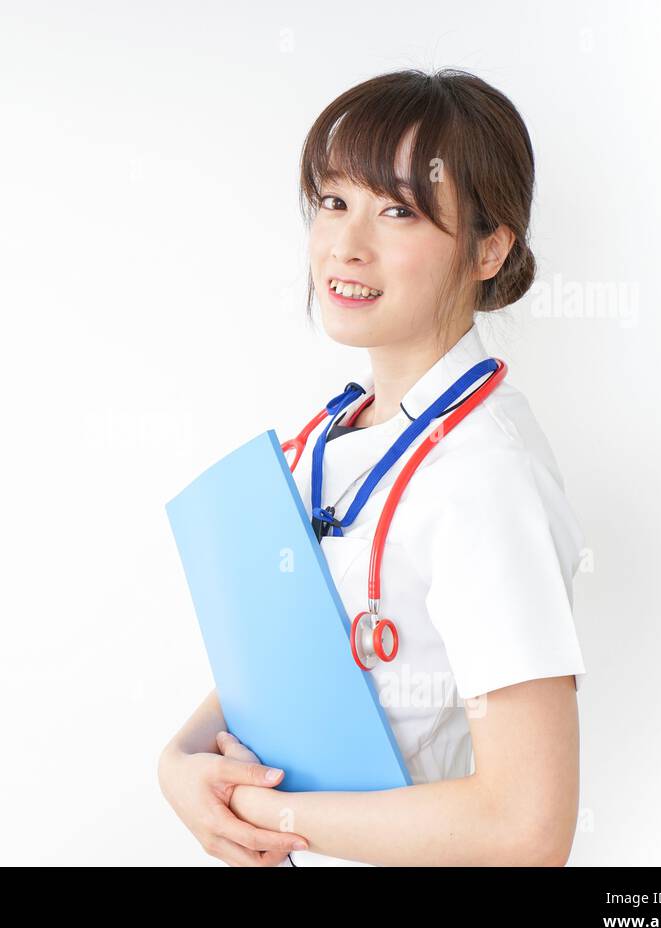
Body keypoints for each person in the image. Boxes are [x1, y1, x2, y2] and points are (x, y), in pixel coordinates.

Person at [156, 68, 588, 867]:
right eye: (333, 201)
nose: (347, 245)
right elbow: (295, 660)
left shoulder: (486, 477)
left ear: (489, 248)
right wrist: (180, 765)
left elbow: (527, 828)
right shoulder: (324, 440)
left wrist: (270, 815)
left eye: (397, 210)